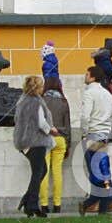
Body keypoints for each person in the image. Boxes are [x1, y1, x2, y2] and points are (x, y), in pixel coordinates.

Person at [12, 75, 57, 218]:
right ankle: (31, 205)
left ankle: (27, 200)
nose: (43, 89)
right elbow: (41, 122)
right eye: (41, 86)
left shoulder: (22, 101)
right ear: (37, 88)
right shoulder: (36, 102)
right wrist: (51, 129)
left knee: (41, 171)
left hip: (24, 141)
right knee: (38, 172)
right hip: (35, 141)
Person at [78, 65, 112, 214]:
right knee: (102, 170)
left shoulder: (89, 93)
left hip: (92, 134)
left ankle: (91, 202)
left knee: (95, 172)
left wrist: (84, 132)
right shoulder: (108, 94)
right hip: (104, 135)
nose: (85, 76)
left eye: (87, 74)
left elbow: (85, 116)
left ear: (93, 77)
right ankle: (104, 205)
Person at [40, 76, 71, 214]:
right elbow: (68, 126)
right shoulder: (64, 101)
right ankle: (57, 204)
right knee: (57, 172)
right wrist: (68, 144)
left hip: (44, 138)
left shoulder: (41, 101)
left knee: (44, 172)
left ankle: (44, 204)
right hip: (60, 138)